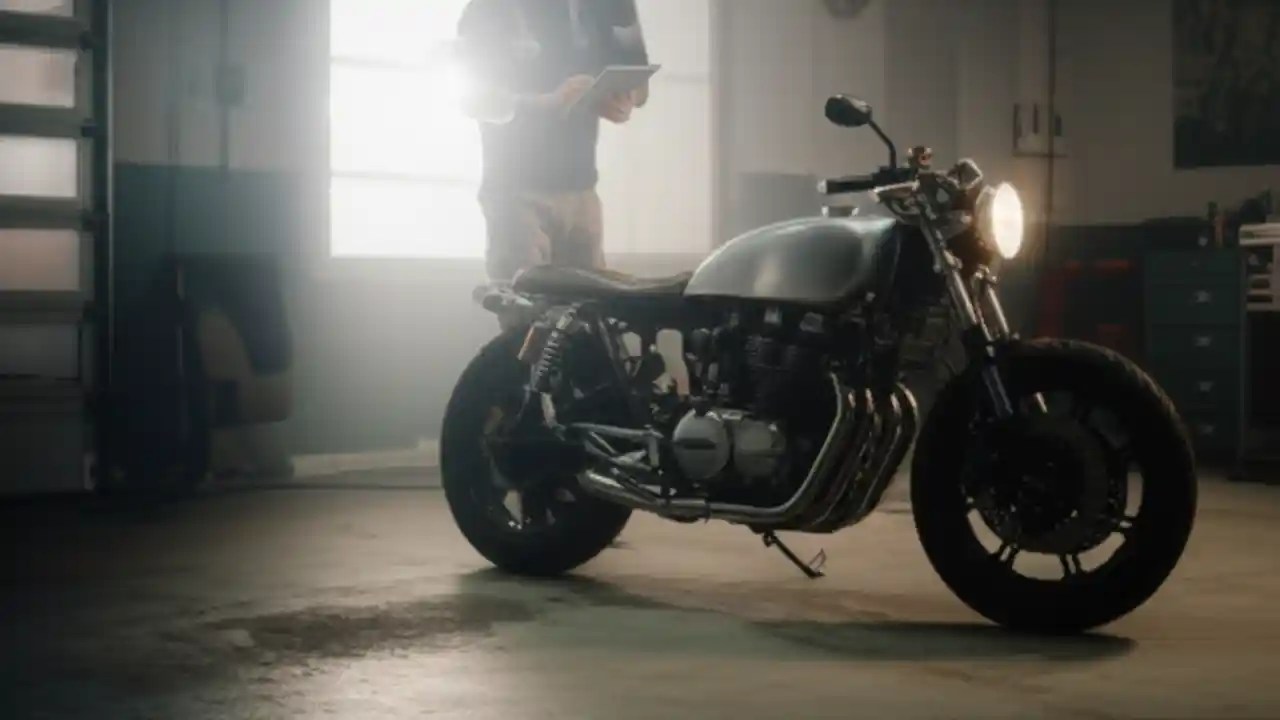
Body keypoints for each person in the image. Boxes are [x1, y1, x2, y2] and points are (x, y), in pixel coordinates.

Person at [455, 0, 651, 283]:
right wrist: (547, 104)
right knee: (527, 317)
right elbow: (473, 97)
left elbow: (639, 83)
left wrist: (623, 98)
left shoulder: (614, 5)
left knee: (590, 317)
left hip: (583, 191)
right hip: (518, 191)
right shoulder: (493, 6)